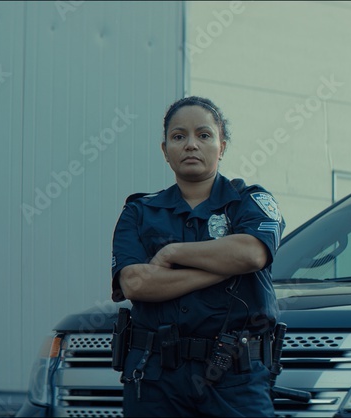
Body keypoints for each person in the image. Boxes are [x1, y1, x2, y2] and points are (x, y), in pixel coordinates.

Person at [109, 96, 284, 417]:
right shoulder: (139, 211)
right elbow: (135, 283)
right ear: (164, 150)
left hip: (235, 376)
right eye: (179, 136)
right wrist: (225, 266)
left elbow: (251, 253)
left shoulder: (250, 202)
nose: (191, 145)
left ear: (222, 146)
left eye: (204, 135)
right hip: (155, 377)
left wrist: (173, 253)